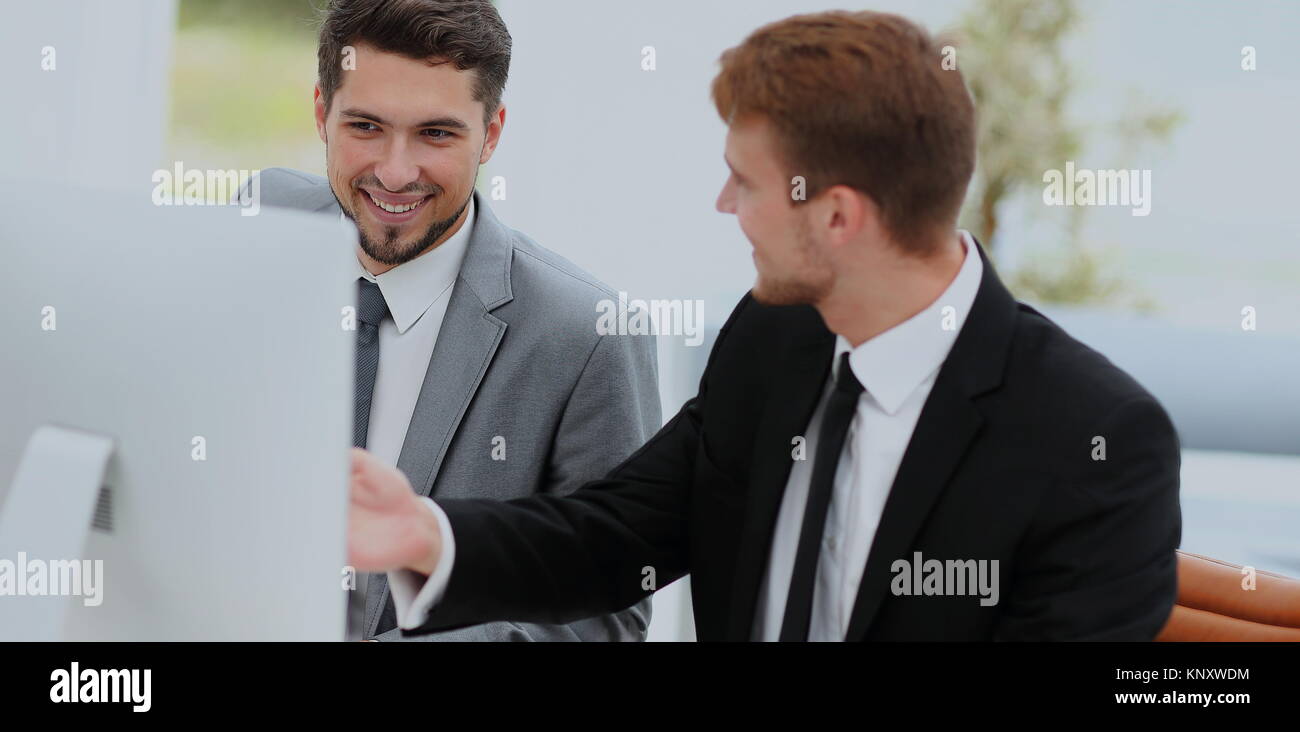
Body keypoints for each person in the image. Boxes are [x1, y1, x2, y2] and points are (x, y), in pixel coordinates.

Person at [348, 9, 1182, 641]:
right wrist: (424, 531)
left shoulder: (1094, 442)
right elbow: (617, 536)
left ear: (837, 217)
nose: (725, 207)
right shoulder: (775, 339)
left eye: (743, 183)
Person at [261, 0, 659, 641]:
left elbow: (607, 612)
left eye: (436, 134)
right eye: (365, 126)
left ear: (492, 134)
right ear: (320, 112)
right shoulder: (253, 229)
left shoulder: (587, 334)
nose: (395, 172)